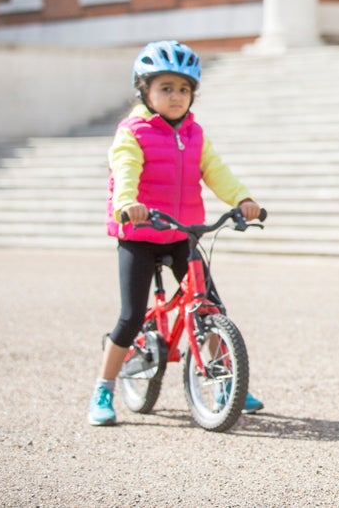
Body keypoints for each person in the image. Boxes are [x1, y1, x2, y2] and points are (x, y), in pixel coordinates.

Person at [88, 40, 265, 426]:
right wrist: (127, 202)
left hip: (183, 235)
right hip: (140, 234)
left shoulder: (195, 134)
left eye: (184, 89)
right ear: (145, 90)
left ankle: (223, 382)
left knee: (210, 307)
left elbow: (216, 170)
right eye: (166, 88)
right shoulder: (132, 131)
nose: (176, 97)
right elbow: (125, 169)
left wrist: (243, 198)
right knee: (132, 315)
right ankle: (104, 386)